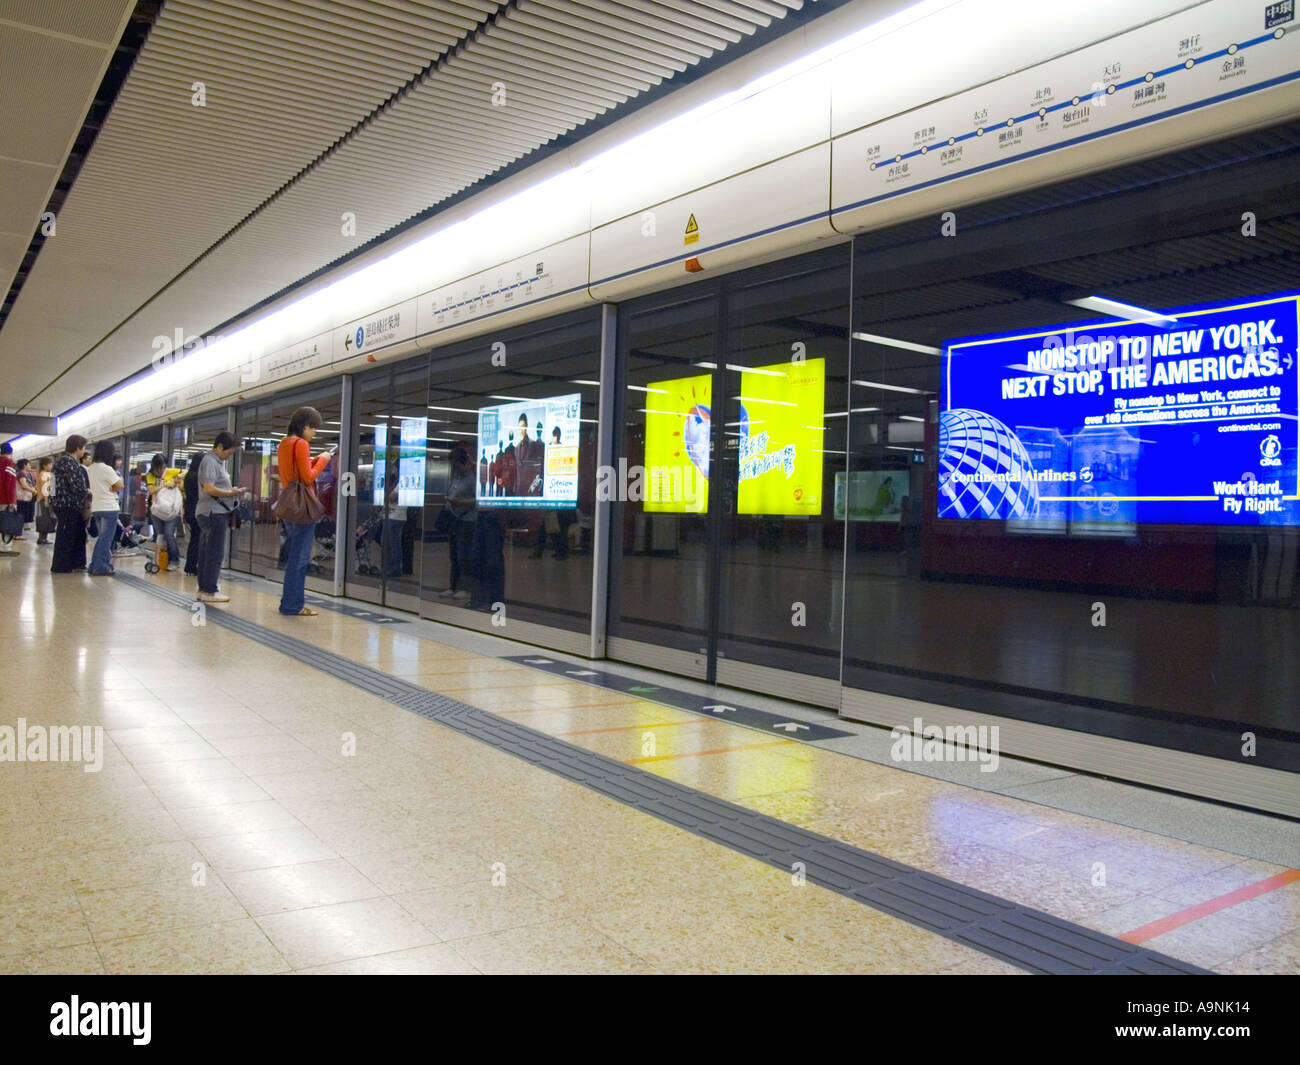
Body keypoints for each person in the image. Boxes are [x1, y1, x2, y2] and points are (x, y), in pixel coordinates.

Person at [276, 407, 332, 616]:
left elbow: (295, 471)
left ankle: (291, 602)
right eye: (314, 428)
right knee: (300, 558)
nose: (314, 433)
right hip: (304, 507)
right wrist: (324, 460)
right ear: (305, 426)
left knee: (294, 555)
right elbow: (308, 477)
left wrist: (315, 459)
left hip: (289, 505)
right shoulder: (301, 443)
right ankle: (292, 604)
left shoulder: (284, 444)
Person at [195, 432, 246, 604]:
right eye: (229, 452)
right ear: (219, 447)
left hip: (211, 511)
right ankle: (210, 590)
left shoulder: (217, 461)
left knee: (206, 551)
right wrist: (230, 492)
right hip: (213, 512)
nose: (229, 456)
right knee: (215, 552)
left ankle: (203, 588)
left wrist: (231, 491)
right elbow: (209, 488)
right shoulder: (210, 461)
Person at [439, 445, 476, 600]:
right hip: (454, 519)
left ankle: (465, 587)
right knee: (454, 555)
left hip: (467, 520)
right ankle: (453, 586)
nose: (455, 468)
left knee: (464, 555)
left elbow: (478, 500)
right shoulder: (456, 477)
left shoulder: (472, 479)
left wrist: (460, 502)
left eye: (457, 465)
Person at [50, 436, 90, 572]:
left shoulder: (60, 462)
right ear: (77, 448)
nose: (84, 451)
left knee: (73, 533)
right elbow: (76, 485)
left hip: (61, 503)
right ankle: (62, 565)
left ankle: (75, 563)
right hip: (68, 504)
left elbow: (53, 485)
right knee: (66, 535)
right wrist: (87, 491)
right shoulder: (69, 463)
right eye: (83, 448)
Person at [86, 441, 124, 576]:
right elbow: (120, 485)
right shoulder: (106, 468)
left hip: (96, 507)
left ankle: (94, 565)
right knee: (106, 539)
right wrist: (113, 488)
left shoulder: (91, 468)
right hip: (109, 507)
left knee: (102, 538)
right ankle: (100, 567)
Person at [148, 464, 183, 570]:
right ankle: (160, 560)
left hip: (171, 512)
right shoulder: (150, 476)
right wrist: (164, 485)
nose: (161, 470)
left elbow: (184, 474)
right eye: (159, 467)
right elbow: (151, 491)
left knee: (169, 535)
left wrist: (176, 481)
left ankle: (174, 560)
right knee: (160, 536)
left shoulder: (172, 473)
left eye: (163, 467)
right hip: (157, 511)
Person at [182, 453, 202, 575]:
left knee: (194, 539)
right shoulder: (198, 477)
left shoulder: (188, 475)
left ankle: (190, 566)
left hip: (189, 510)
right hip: (198, 511)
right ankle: (192, 566)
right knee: (198, 540)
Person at [35, 457, 54, 545]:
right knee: (45, 519)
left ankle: (43, 538)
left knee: (44, 518)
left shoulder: (42, 474)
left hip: (43, 499)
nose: (51, 466)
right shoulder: (45, 474)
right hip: (45, 499)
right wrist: (46, 500)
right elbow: (45, 488)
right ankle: (42, 538)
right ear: (44, 465)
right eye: (49, 464)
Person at [0, 443, 16, 535]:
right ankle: (4, 547)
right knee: (5, 525)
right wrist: (12, 501)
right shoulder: (9, 462)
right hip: (4, 499)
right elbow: (10, 484)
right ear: (11, 452)